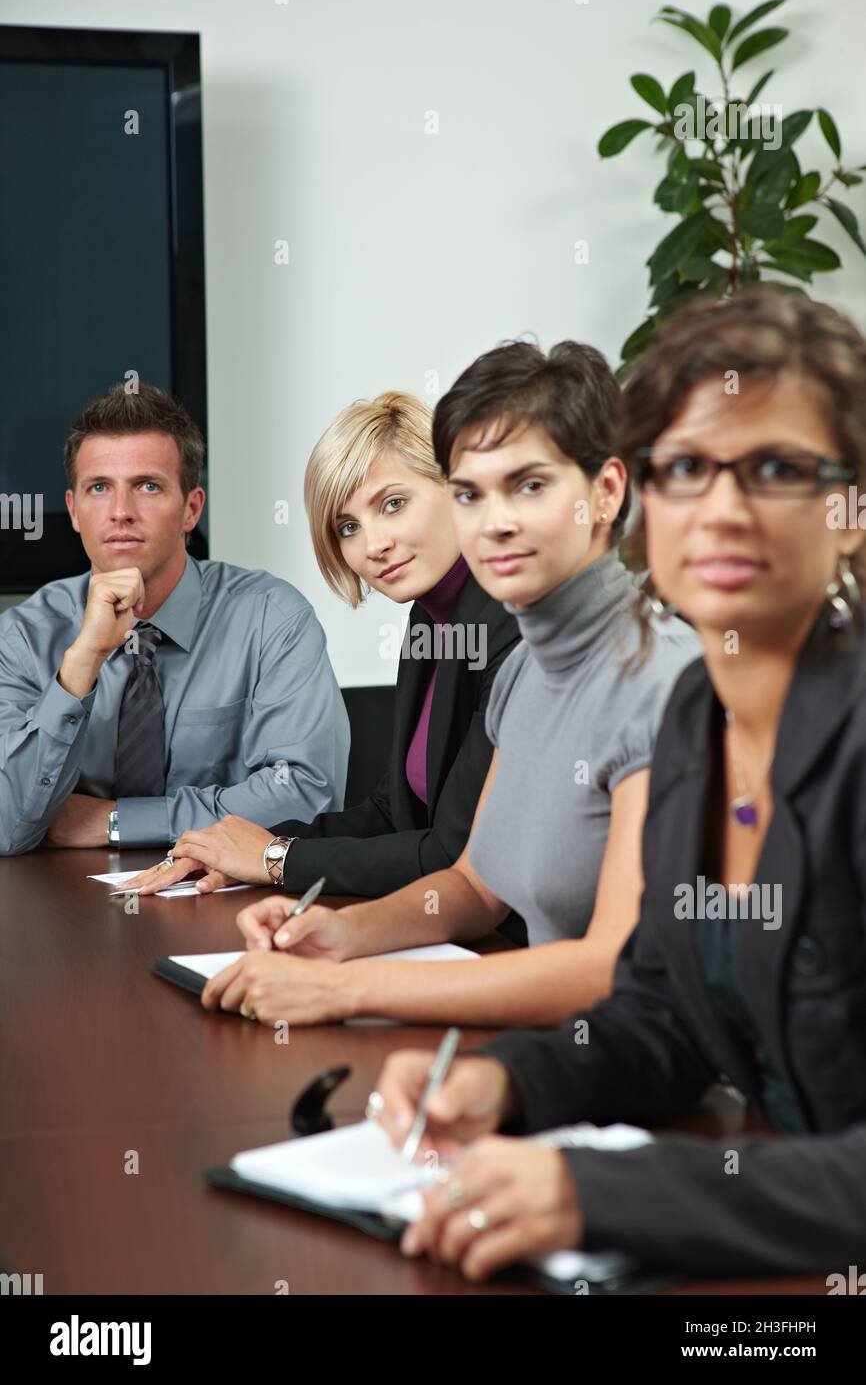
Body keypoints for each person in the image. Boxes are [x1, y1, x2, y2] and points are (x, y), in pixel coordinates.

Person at [371, 287, 866, 1283]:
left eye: (771, 468)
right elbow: (666, 1015)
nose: (718, 509)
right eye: (684, 468)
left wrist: (599, 1194)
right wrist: (502, 1084)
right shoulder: (695, 720)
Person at [200, 340, 698, 1027]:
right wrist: (338, 937)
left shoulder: (668, 679)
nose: (493, 523)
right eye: (470, 493)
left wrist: (348, 990)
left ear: (606, 492)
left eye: (529, 486)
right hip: (559, 1047)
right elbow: (471, 884)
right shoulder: (525, 670)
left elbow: (610, 969)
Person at [122, 392, 520, 898]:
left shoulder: (510, 621)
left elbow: (456, 853)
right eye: (348, 527)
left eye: (393, 504)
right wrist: (239, 847)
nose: (373, 545)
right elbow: (393, 814)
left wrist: (275, 859)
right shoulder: (430, 617)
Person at [0, 383, 349, 855]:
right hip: (62, 909)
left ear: (191, 509)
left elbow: (307, 794)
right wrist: (83, 660)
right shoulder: (23, 635)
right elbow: (6, 823)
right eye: (99, 488)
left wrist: (118, 822)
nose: (121, 512)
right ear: (75, 511)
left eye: (148, 486)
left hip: (224, 906)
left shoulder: (273, 618)